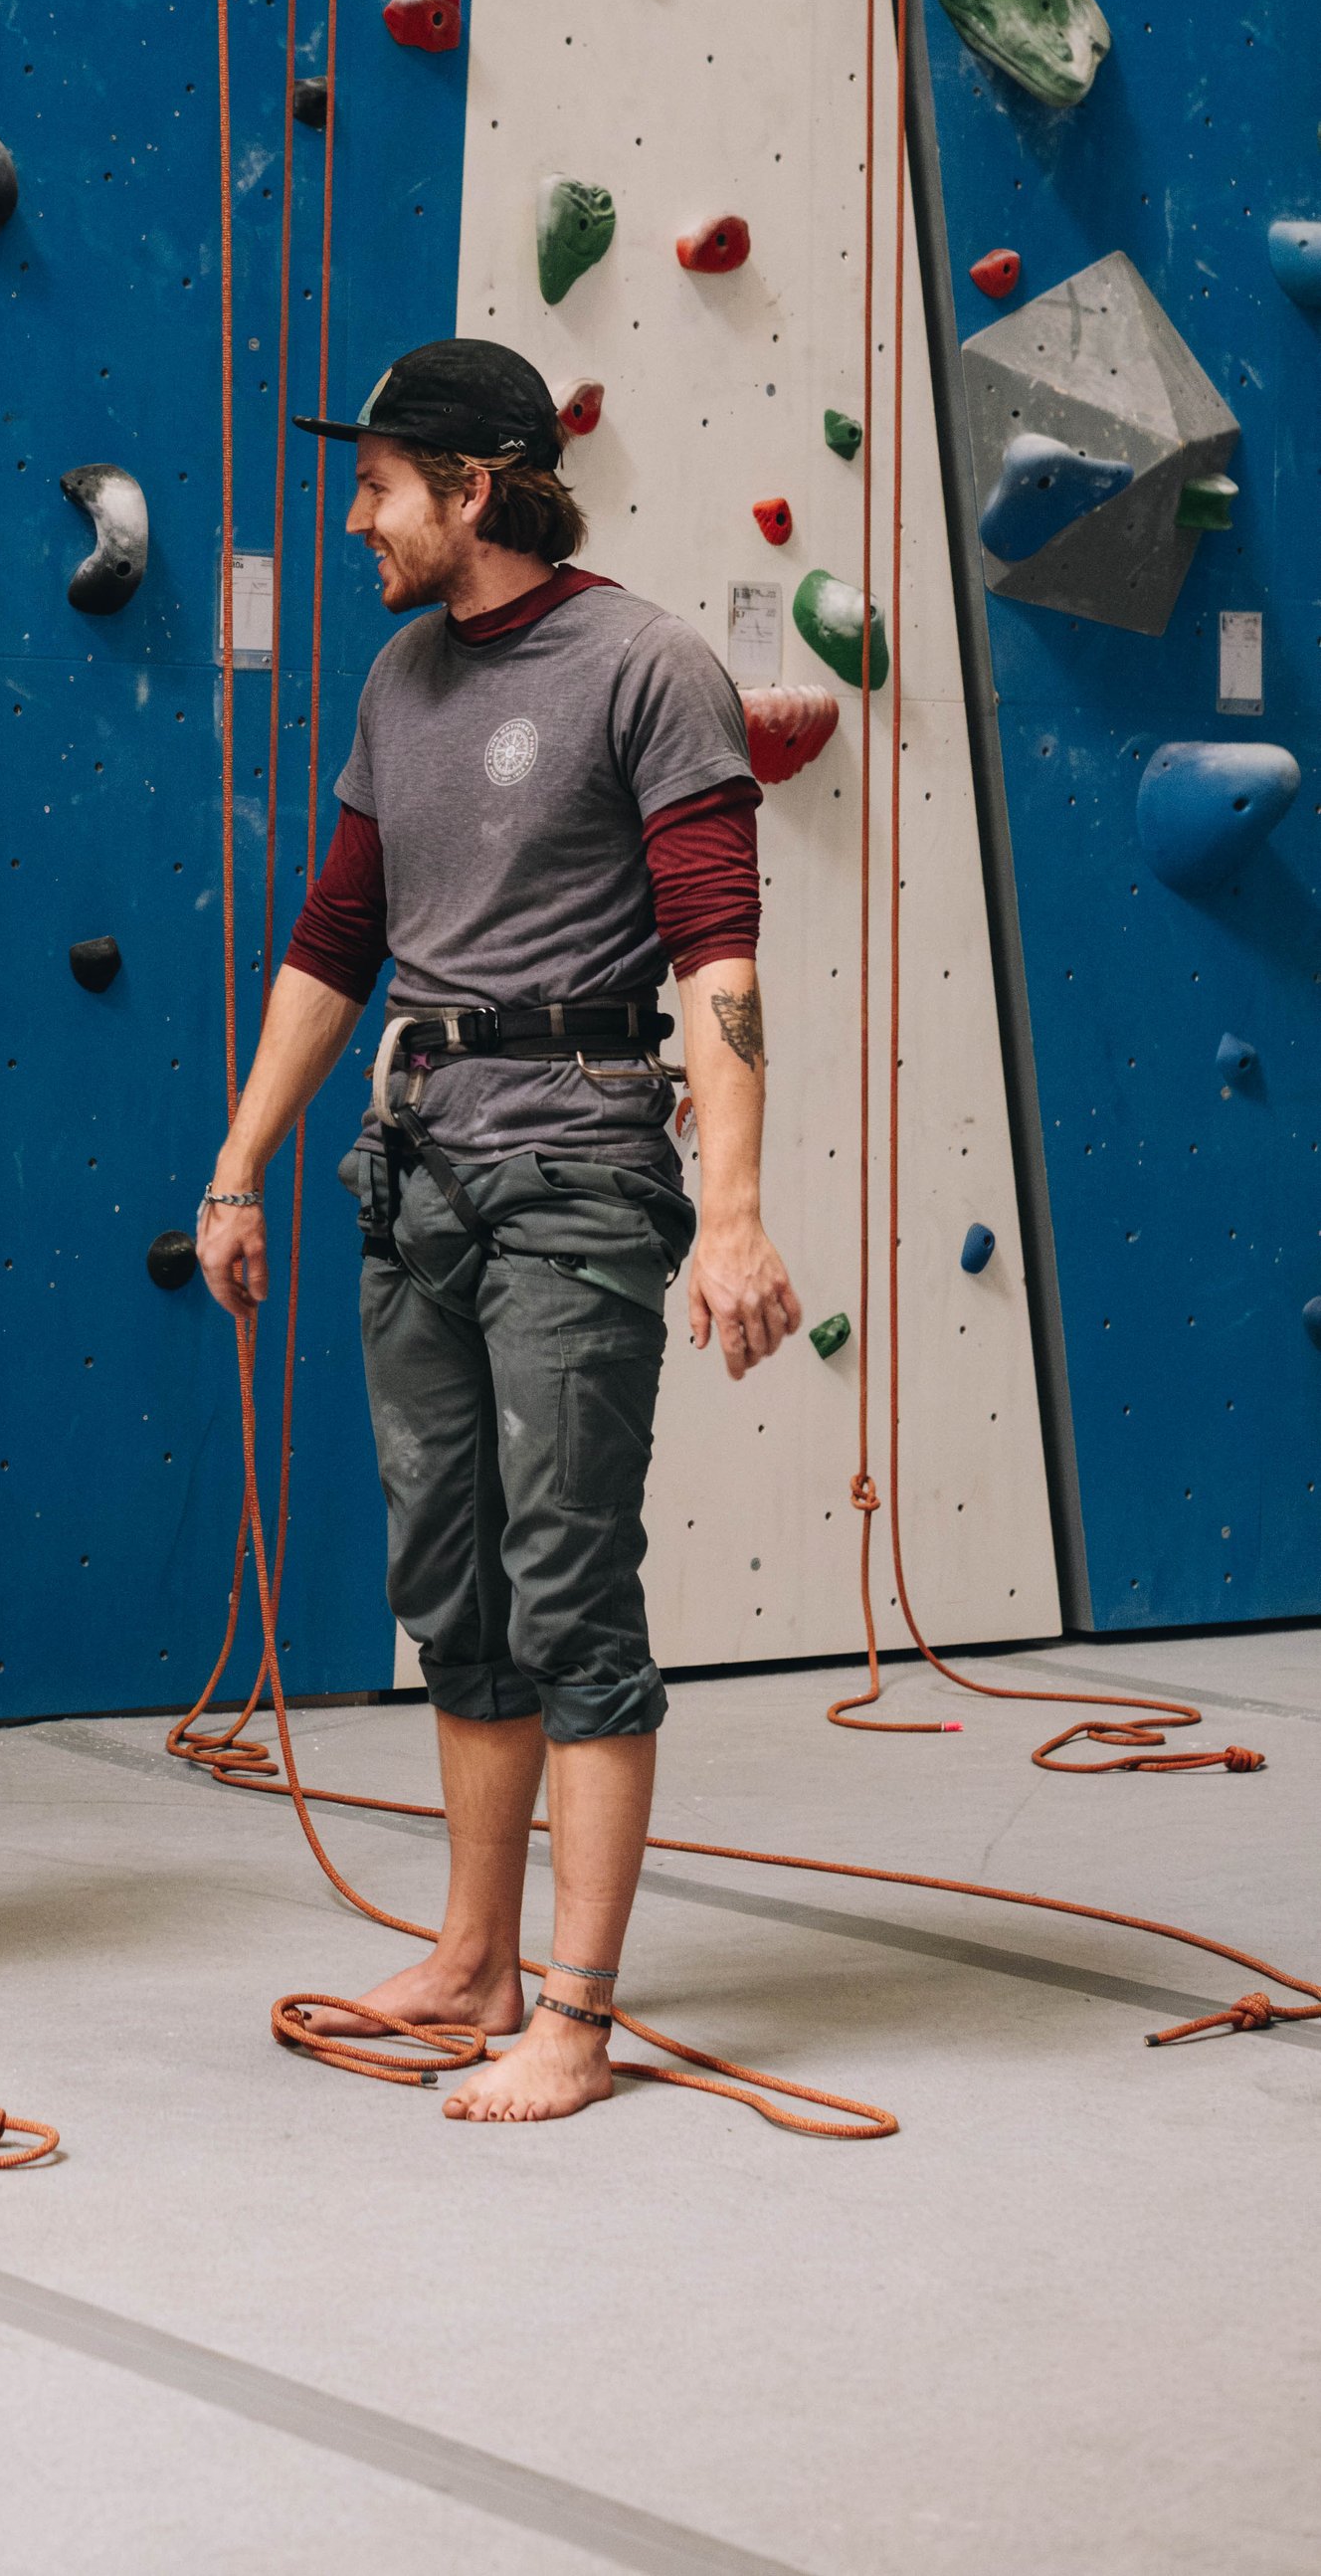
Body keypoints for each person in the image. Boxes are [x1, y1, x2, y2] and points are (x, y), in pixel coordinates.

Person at [195, 341, 801, 2122]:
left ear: (476, 488)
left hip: (580, 1183)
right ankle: (469, 1964)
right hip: (419, 1181)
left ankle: (579, 2015)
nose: (357, 514)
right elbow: (336, 936)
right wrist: (240, 1166)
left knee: (569, 1590)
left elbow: (718, 950)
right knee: (453, 1589)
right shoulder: (399, 677)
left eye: (381, 483)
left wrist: (739, 1212)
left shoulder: (647, 666)